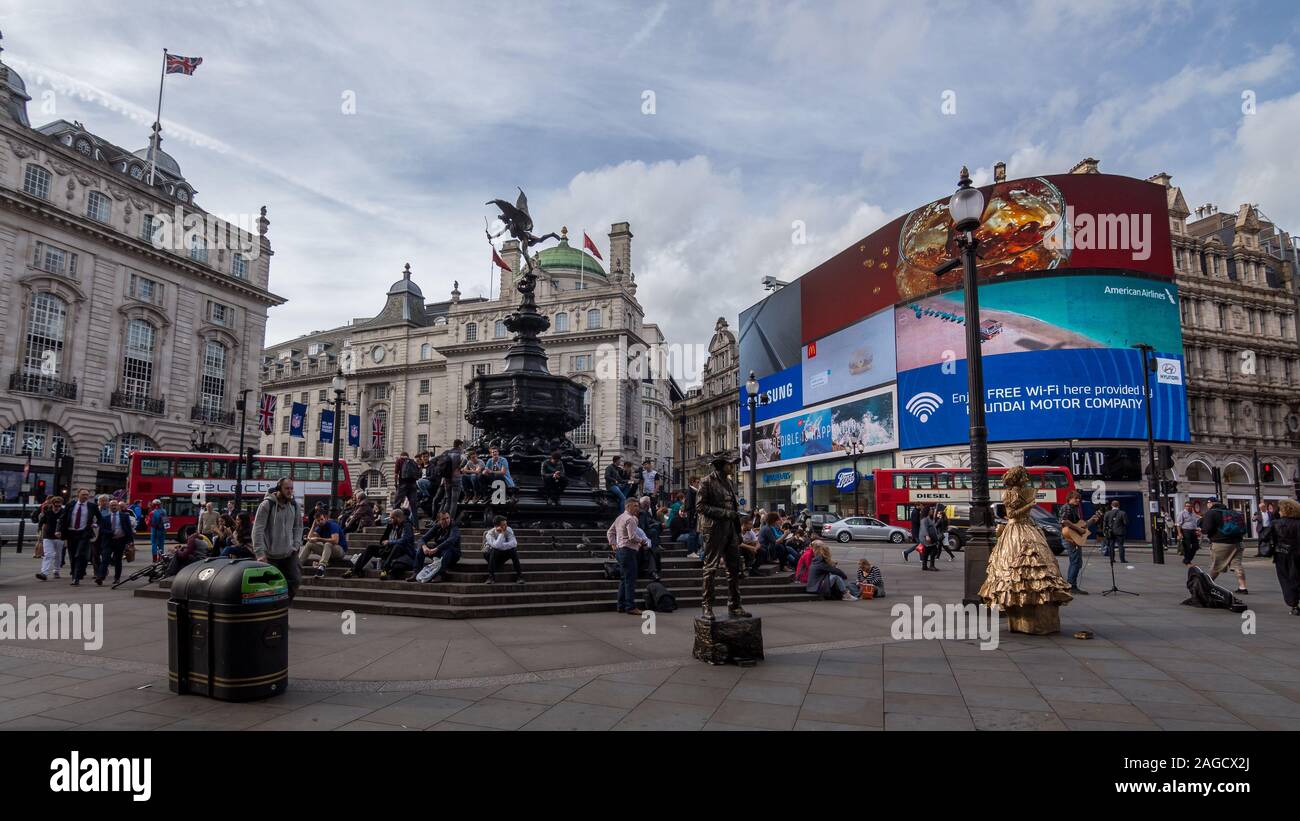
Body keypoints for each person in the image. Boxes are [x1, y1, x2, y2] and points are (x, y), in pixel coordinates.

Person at [980, 466, 1073, 634]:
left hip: (1028, 527)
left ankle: (1038, 618)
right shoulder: (1010, 494)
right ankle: (1022, 617)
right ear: (1018, 477)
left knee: (1040, 565)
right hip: (1016, 529)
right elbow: (1012, 514)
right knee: (1018, 569)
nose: (1026, 477)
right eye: (1024, 475)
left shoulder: (1022, 491)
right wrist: (1029, 505)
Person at [698, 451, 749, 620]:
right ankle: (707, 606)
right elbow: (701, 507)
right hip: (714, 530)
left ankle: (735, 605)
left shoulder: (729, 482)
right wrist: (725, 514)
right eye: (730, 464)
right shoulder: (707, 482)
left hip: (730, 531)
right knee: (710, 568)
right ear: (721, 465)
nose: (732, 466)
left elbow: (733, 509)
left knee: (734, 569)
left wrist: (738, 532)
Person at [252, 478, 304, 599]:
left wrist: (296, 545)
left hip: (289, 553)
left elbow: (298, 527)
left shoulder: (294, 505)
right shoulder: (266, 505)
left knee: (295, 580)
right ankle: (272, 609)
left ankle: (284, 604)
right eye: (287, 488)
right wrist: (260, 553)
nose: (290, 491)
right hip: (270, 555)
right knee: (269, 586)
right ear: (279, 489)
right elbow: (257, 530)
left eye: (291, 488)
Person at [344, 507, 417, 580]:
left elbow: (404, 540)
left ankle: (385, 569)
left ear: (398, 518)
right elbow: (383, 539)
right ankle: (355, 569)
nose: (390, 520)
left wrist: (389, 542)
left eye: (392, 518)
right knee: (371, 548)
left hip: (403, 551)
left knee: (397, 546)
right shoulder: (391, 525)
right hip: (389, 549)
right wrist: (384, 542)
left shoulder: (407, 526)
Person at [1200, 496, 1248, 595]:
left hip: (1221, 543)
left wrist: (1201, 529)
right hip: (1238, 543)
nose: (1207, 505)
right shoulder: (1232, 512)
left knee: (1216, 565)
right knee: (1237, 565)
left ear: (1211, 503)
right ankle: (1243, 587)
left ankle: (1207, 585)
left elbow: (1207, 529)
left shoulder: (1211, 513)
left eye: (1208, 503)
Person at [607, 498, 646, 614]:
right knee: (630, 579)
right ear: (628, 506)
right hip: (628, 551)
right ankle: (630, 606)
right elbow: (632, 536)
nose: (637, 508)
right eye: (635, 506)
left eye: (637, 506)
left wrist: (613, 543)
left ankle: (621, 605)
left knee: (624, 579)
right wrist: (642, 541)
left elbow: (610, 531)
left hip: (620, 550)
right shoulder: (630, 519)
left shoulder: (620, 517)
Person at [1059, 490, 1101, 595]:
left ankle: (1071, 584)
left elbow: (1082, 526)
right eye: (1075, 498)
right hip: (1069, 538)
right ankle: (1071, 585)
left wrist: (1092, 519)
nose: (1078, 500)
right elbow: (1064, 521)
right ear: (1069, 499)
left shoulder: (1074, 509)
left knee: (1077, 562)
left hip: (1073, 538)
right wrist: (1078, 530)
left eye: (1079, 499)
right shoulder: (1067, 507)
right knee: (1075, 562)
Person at [62, 489, 101, 586]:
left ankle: (76, 578)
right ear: (78, 494)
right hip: (71, 533)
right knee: (73, 556)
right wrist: (59, 530)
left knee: (79, 554)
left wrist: (95, 525)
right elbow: (63, 518)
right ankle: (75, 575)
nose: (85, 496)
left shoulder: (92, 506)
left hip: (84, 533)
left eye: (87, 495)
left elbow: (100, 519)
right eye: (83, 494)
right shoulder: (70, 505)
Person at [95, 499, 135, 586]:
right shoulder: (105, 518)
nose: (113, 507)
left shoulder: (124, 516)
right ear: (109, 507)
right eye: (112, 505)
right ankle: (100, 577)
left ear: (118, 507)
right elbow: (102, 530)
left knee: (117, 561)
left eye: (115, 505)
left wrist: (130, 542)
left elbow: (128, 529)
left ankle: (117, 578)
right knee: (105, 559)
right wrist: (110, 532)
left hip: (120, 541)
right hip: (108, 542)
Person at [1271, 498, 1300, 615]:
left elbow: (1266, 538)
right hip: (1297, 553)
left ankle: (1294, 604)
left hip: (1282, 554)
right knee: (1297, 578)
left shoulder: (1276, 523)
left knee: (1285, 580)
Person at [415, 510, 461, 583]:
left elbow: (451, 540)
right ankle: (416, 573)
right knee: (421, 549)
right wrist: (424, 547)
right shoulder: (437, 527)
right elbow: (422, 539)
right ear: (439, 520)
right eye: (443, 519)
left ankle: (440, 575)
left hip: (452, 554)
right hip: (439, 552)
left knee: (448, 550)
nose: (446, 520)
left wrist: (436, 549)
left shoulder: (454, 527)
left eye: (447, 518)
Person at [301, 510, 348, 576]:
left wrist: (319, 539)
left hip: (340, 551)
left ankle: (321, 567)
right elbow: (309, 538)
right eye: (318, 521)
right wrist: (313, 526)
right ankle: (298, 565)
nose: (320, 522)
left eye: (321, 519)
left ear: (326, 518)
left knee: (328, 543)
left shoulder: (333, 525)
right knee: (309, 544)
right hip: (328, 551)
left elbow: (335, 541)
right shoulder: (319, 527)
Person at [484, 515, 523, 584]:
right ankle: (491, 577)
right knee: (493, 550)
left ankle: (519, 576)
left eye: (506, 524)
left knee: (513, 550)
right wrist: (501, 534)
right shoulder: (489, 534)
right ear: (497, 526)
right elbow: (496, 546)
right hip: (492, 557)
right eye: (503, 525)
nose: (506, 526)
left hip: (503, 554)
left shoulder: (508, 529)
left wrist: (501, 546)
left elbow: (514, 543)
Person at [34, 496, 65, 581]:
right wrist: (39, 531)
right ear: (52, 504)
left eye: (59, 506)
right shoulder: (47, 512)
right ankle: (44, 573)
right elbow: (41, 522)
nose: (57, 508)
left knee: (58, 555)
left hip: (60, 537)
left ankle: (57, 570)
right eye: (56, 506)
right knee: (48, 554)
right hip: (48, 536)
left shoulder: (64, 512)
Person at [1102, 499, 1129, 563]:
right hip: (1120, 532)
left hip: (1110, 532)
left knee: (1111, 546)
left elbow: (1104, 523)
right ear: (1118, 505)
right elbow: (1126, 523)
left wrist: (1104, 532)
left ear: (1111, 505)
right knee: (1121, 545)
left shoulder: (1107, 513)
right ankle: (1122, 560)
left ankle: (1112, 559)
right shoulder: (1123, 513)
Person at [393, 450, 421, 514]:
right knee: (413, 506)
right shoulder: (413, 461)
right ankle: (415, 523)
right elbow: (418, 474)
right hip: (413, 485)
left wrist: (395, 483)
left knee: (396, 504)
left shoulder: (399, 460)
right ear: (408, 456)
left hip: (403, 484)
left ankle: (395, 521)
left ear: (401, 456)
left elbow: (396, 474)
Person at [1177, 501, 1201, 565]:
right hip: (1185, 531)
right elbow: (1178, 524)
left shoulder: (1193, 514)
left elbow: (1194, 523)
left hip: (1193, 531)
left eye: (1189, 506)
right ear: (1185, 507)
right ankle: (1187, 560)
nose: (1188, 507)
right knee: (1187, 546)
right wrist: (1179, 533)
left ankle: (1187, 559)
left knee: (1196, 546)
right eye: (1186, 506)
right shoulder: (1182, 513)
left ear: (1191, 507)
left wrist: (1197, 531)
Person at [918, 506, 941, 571]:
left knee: (926, 551)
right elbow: (924, 528)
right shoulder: (924, 519)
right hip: (927, 538)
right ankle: (931, 566)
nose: (932, 511)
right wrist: (927, 536)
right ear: (927, 511)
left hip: (930, 537)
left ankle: (924, 566)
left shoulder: (928, 518)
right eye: (931, 510)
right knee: (934, 550)